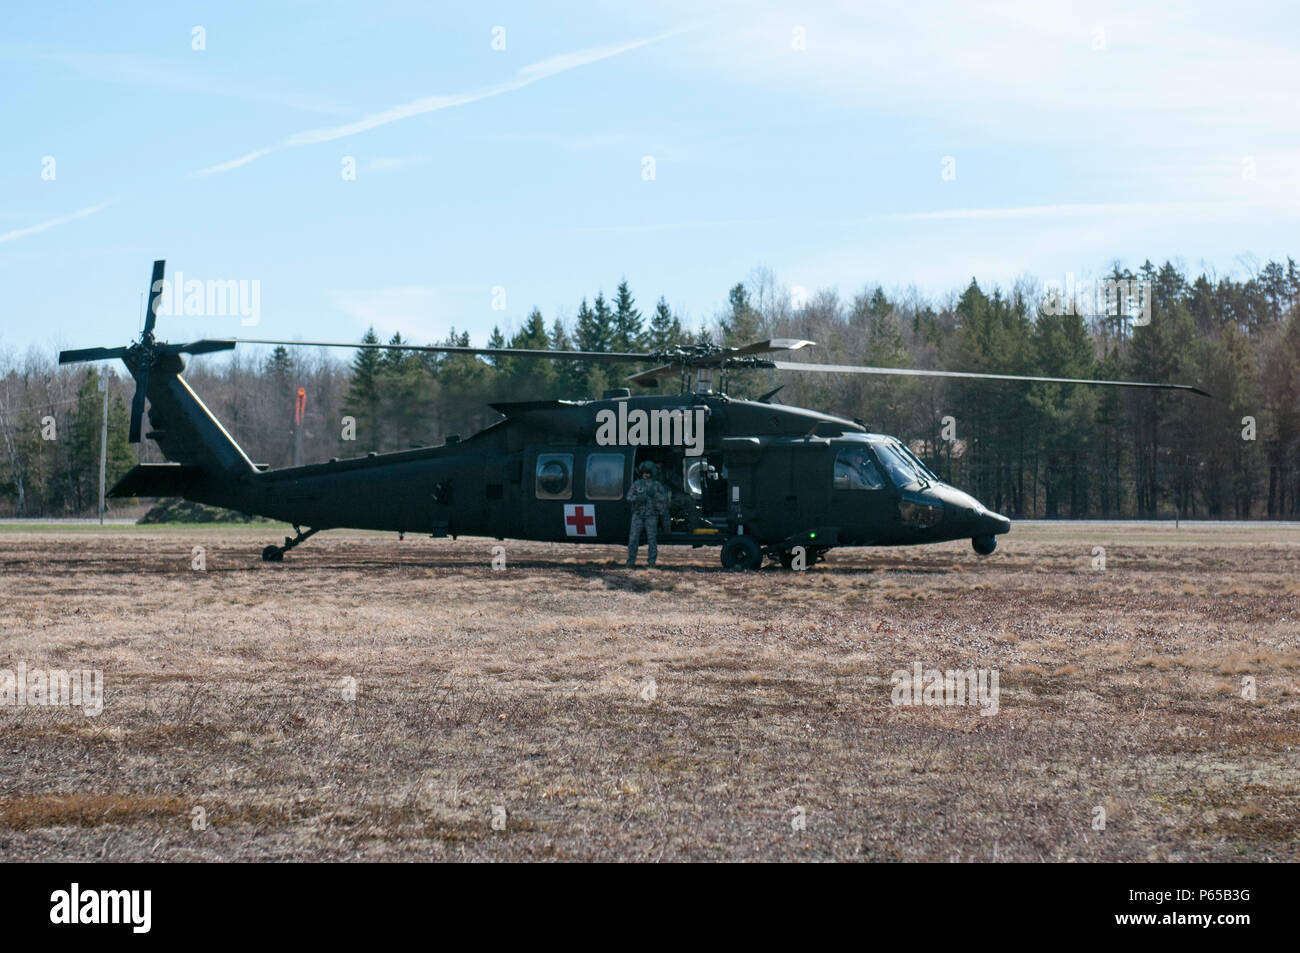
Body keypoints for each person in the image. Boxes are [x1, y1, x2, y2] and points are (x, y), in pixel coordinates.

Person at [626, 461, 671, 567]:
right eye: (644, 473)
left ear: (651, 473)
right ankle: (630, 562)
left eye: (648, 473)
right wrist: (638, 498)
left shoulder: (657, 485)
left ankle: (651, 563)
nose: (645, 475)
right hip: (638, 515)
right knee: (633, 539)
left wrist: (655, 495)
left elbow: (664, 499)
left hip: (651, 516)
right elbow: (628, 497)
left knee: (652, 540)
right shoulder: (637, 484)